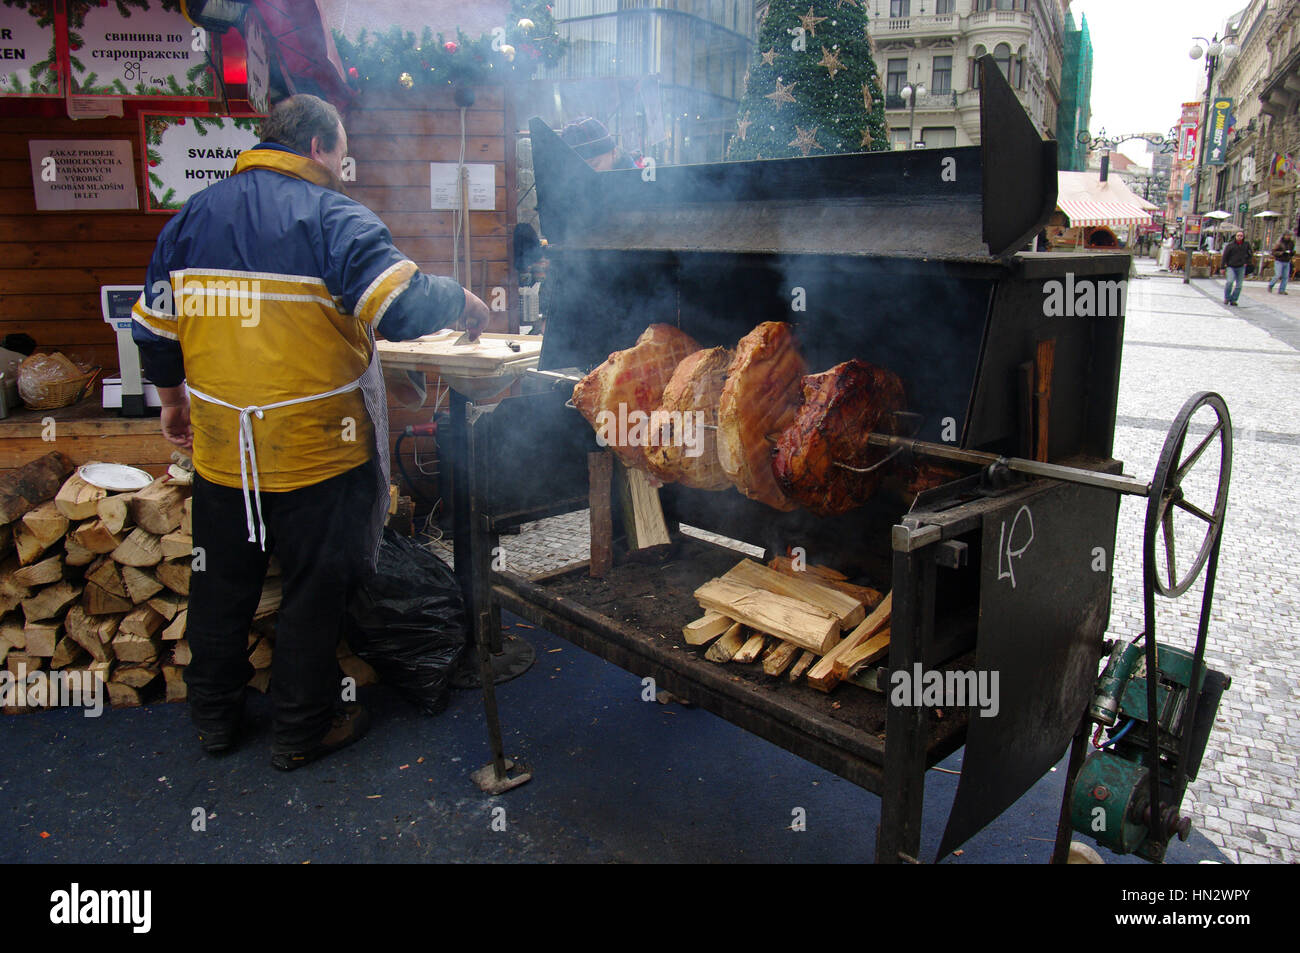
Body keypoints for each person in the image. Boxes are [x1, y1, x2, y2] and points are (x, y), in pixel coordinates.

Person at [131, 94, 492, 770]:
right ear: (322, 147)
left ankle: (214, 719)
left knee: (222, 587)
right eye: (342, 151)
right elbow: (401, 307)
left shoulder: (191, 218)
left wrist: (173, 401)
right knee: (311, 592)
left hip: (220, 456)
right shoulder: (332, 216)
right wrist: (461, 298)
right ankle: (302, 729)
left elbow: (153, 330)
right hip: (317, 454)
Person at [559, 116, 639, 171]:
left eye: (594, 165)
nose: (586, 174)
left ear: (613, 153)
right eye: (578, 169)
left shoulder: (637, 183)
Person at [1221, 230, 1250, 306]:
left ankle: (1234, 299)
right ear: (1235, 236)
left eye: (1241, 236)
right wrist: (1222, 267)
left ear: (1243, 237)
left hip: (1241, 267)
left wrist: (1246, 262)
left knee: (1239, 285)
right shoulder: (1230, 245)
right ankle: (1227, 297)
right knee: (1229, 282)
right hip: (1231, 266)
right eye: (1238, 236)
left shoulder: (1246, 245)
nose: (1239, 237)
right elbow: (1224, 256)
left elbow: (1250, 254)